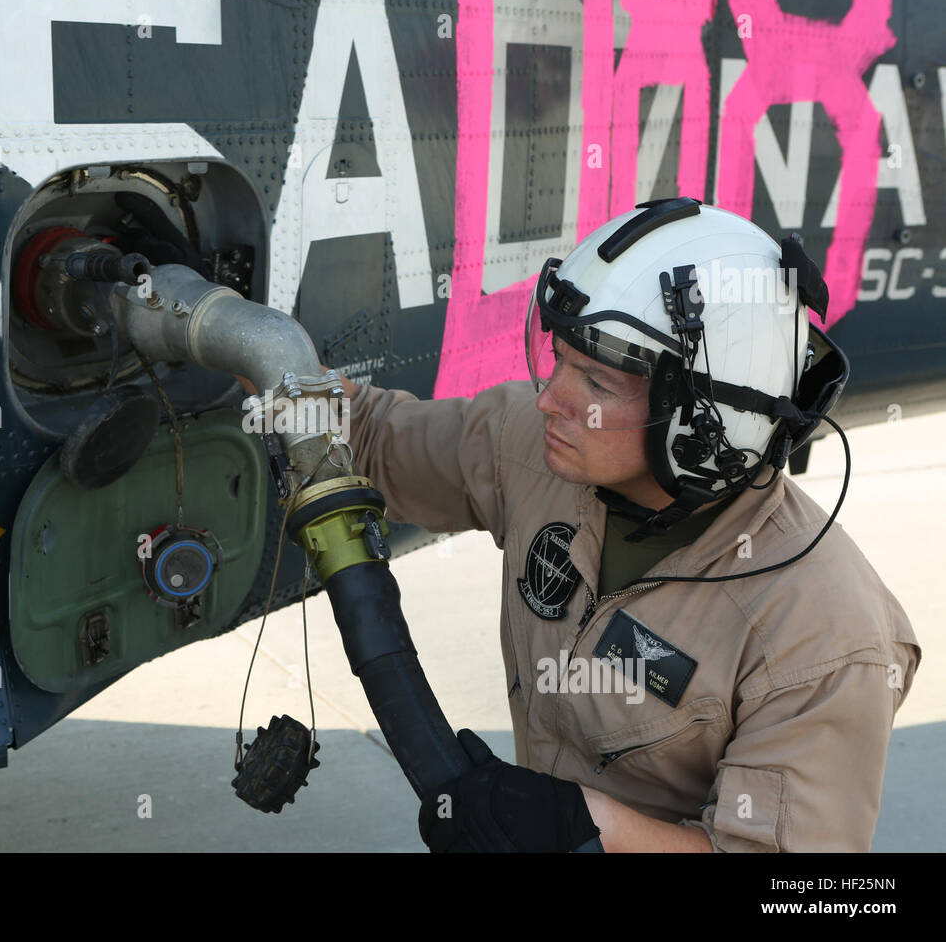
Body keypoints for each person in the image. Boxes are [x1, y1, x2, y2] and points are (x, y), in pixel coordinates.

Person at [337, 199, 921, 852]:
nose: (551, 400)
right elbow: (372, 436)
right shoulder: (539, 448)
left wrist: (589, 827)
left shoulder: (823, 635)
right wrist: (246, 352)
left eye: (597, 381)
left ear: (704, 423)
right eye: (559, 359)